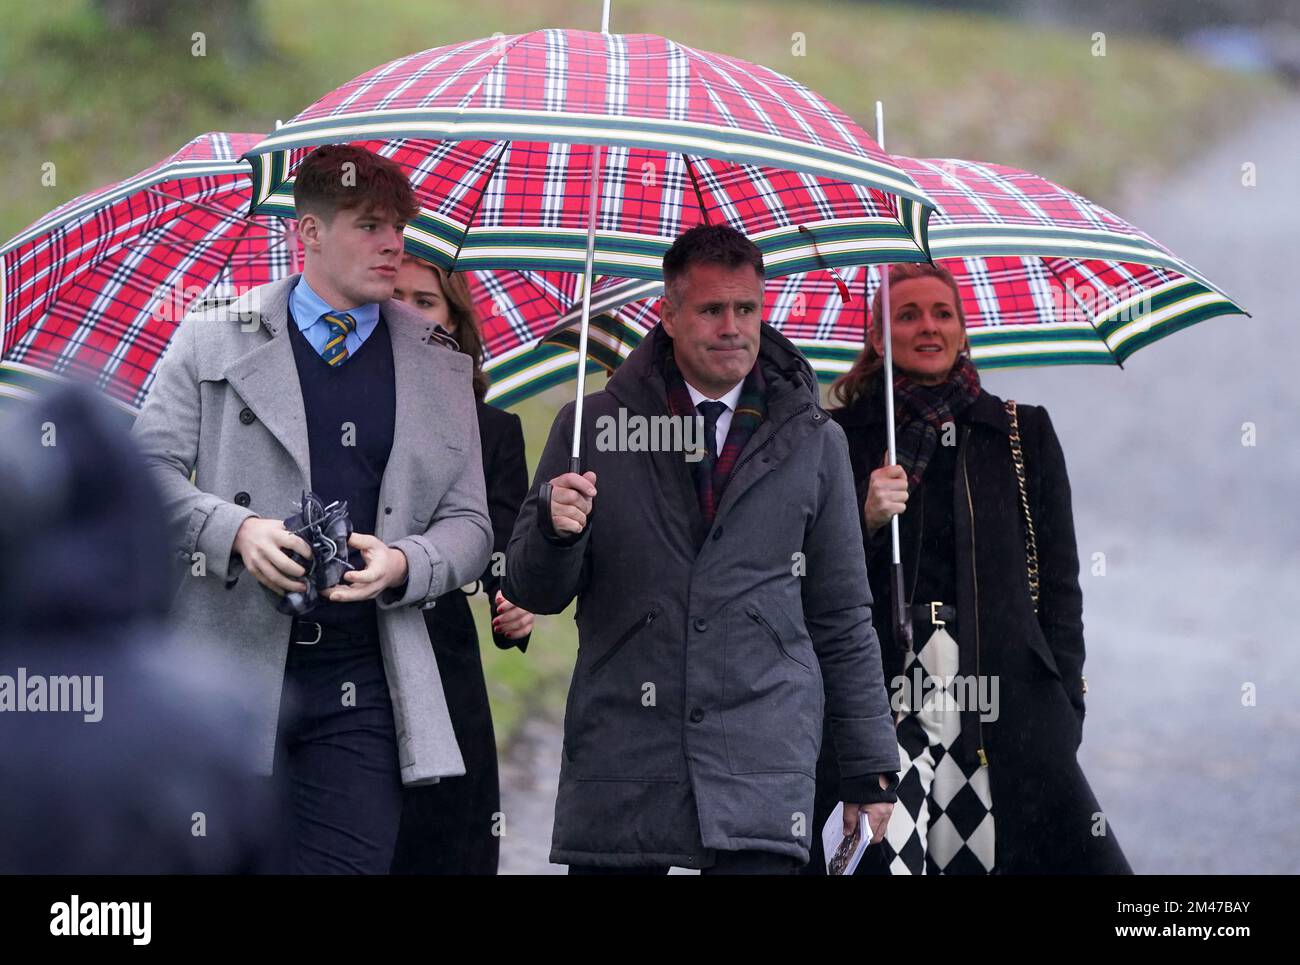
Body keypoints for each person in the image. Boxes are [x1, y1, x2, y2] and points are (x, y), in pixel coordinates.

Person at [132, 145, 493, 874]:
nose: (394, 244)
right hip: (226, 671)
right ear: (310, 233)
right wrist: (235, 530)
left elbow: (472, 527)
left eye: (400, 227)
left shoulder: (438, 362)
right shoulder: (211, 337)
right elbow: (143, 477)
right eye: (370, 225)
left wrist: (403, 562)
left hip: (368, 683)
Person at [503, 224, 900, 874]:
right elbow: (531, 590)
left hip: (762, 757)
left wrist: (869, 769)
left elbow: (842, 613)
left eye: (746, 308)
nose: (732, 326)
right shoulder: (592, 427)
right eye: (712, 309)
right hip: (625, 753)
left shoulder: (815, 441)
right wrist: (554, 527)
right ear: (667, 313)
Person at [811, 262, 1132, 874]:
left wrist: (1066, 701)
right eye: (907, 315)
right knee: (885, 858)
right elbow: (805, 572)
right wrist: (866, 518)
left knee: (992, 858)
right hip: (884, 694)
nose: (927, 327)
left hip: (1004, 699)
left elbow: (1061, 587)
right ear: (878, 337)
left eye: (942, 314)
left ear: (963, 330)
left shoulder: (1020, 432)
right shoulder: (836, 437)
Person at [388, 256, 534, 875]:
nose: (405, 310)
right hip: (344, 647)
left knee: (451, 842)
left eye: (424, 300)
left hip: (442, 655)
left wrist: (517, 601)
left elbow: (504, 550)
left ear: (453, 321)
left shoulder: (492, 430)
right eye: (394, 295)